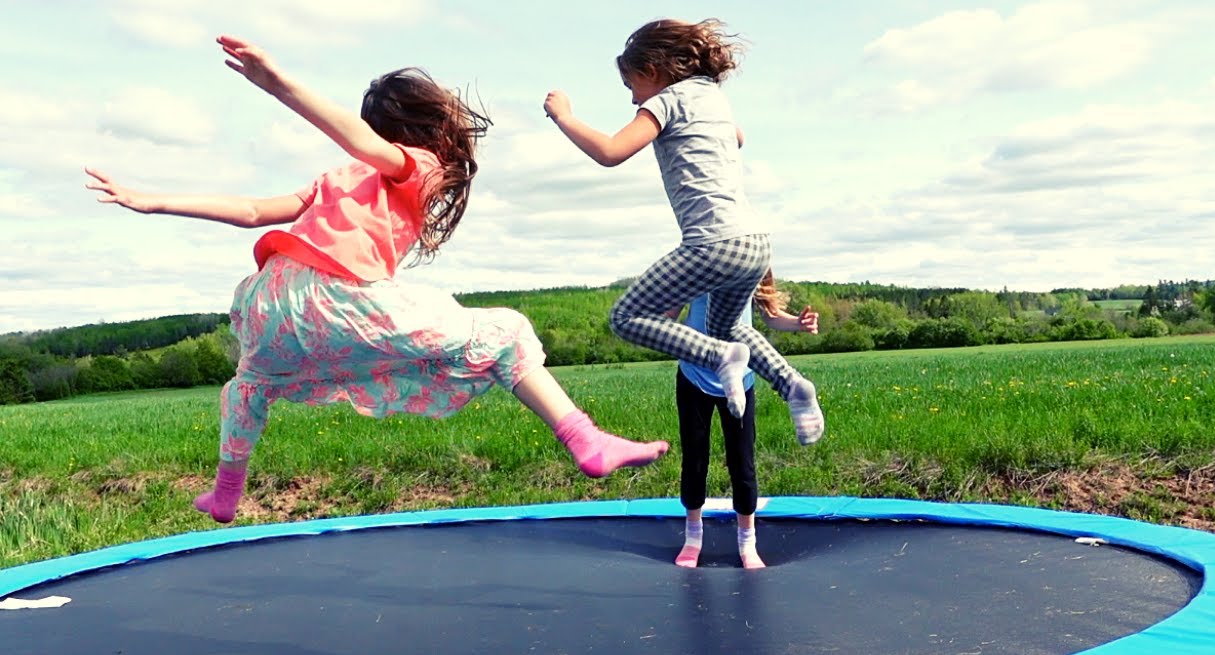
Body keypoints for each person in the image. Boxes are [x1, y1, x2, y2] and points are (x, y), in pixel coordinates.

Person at [84, 36, 668, 524]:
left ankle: (226, 493)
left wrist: (152, 200)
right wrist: (279, 83)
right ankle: (584, 439)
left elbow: (253, 212)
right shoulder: (419, 166)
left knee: (249, 385)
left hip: (272, 304)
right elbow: (358, 142)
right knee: (508, 332)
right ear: (426, 126)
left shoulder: (338, 176)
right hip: (338, 296)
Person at [543, 17, 824, 446]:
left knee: (627, 317)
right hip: (756, 245)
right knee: (727, 325)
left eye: (631, 85)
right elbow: (739, 137)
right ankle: (792, 385)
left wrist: (564, 117)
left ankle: (718, 356)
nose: (633, 98)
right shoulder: (713, 98)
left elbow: (611, 152)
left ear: (653, 72)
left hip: (713, 243)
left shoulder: (666, 101)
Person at [669, 271, 818, 569]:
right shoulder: (698, 259)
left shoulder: (752, 263)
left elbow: (771, 315)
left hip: (741, 378)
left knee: (742, 462)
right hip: (694, 374)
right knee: (695, 460)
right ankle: (693, 538)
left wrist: (797, 324)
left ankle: (747, 541)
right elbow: (669, 315)